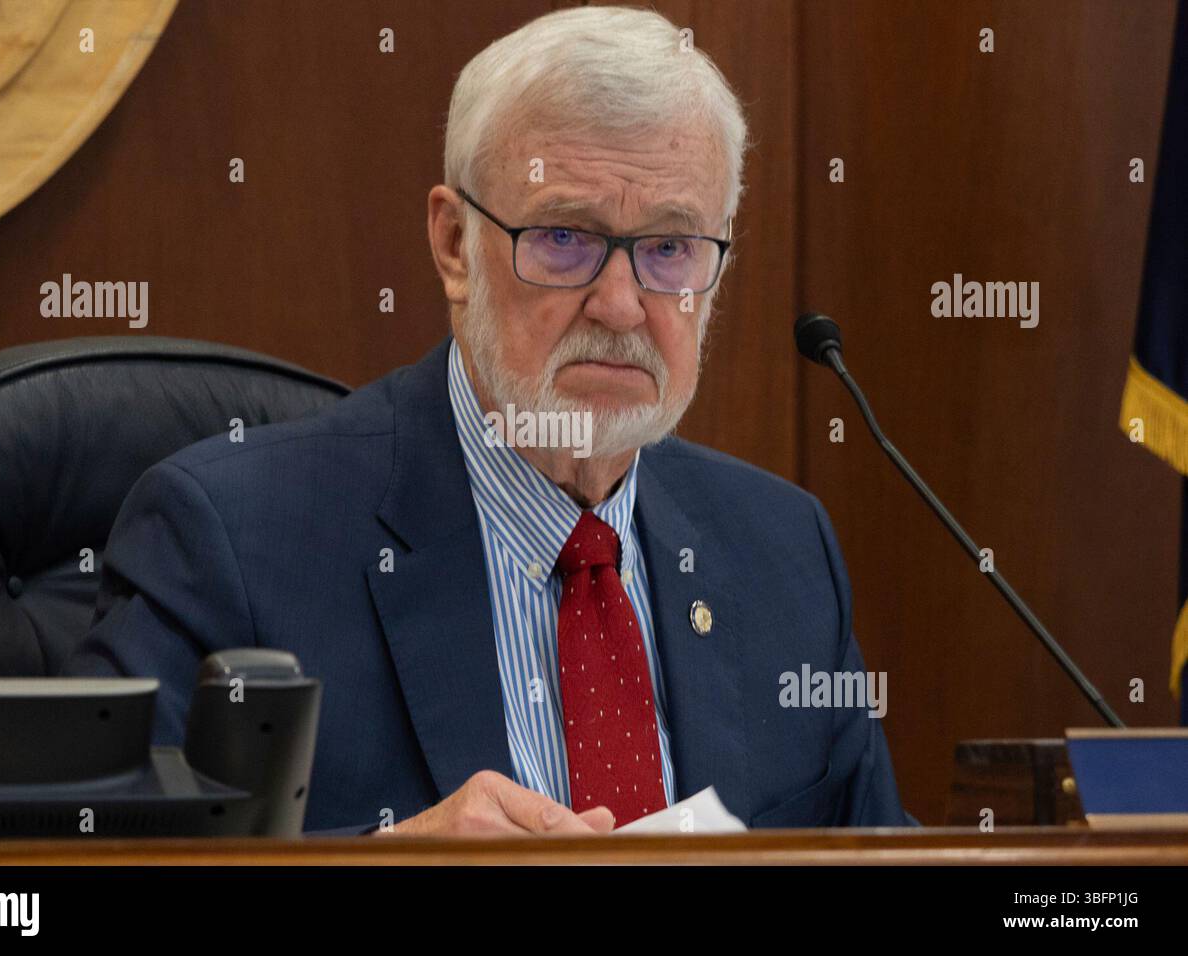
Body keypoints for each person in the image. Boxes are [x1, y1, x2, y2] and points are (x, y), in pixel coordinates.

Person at [67, 5, 914, 836]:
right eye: (564, 238)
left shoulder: (782, 552)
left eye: (669, 248)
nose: (621, 306)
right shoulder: (232, 539)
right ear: (452, 243)